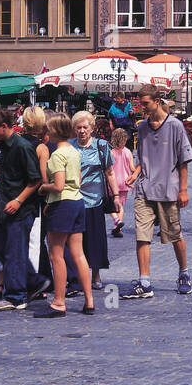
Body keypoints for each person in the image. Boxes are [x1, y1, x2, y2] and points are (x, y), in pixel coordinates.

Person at [123, 84, 192, 299]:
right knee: (142, 236)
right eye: (140, 103)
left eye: (145, 103)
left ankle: (184, 273)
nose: (142, 107)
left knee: (174, 235)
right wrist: (135, 174)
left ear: (157, 101)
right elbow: (142, 158)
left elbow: (184, 161)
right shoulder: (142, 128)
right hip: (145, 189)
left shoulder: (175, 126)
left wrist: (183, 190)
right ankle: (144, 282)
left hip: (168, 189)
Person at [34, 114, 94, 317]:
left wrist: (43, 189)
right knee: (78, 254)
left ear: (54, 132)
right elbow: (77, 179)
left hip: (63, 204)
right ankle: (89, 301)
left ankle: (59, 302)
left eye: (48, 130)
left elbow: (58, 186)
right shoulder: (74, 152)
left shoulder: (57, 155)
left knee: (56, 255)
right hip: (78, 202)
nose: (45, 133)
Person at [0, 108, 42, 312]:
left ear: (3, 126)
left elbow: (35, 179)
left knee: (14, 252)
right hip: (4, 205)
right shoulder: (6, 146)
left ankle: (17, 296)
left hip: (20, 209)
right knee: (1, 249)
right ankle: (35, 280)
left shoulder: (22, 146)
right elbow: (15, 172)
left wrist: (18, 200)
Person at [71, 111, 119, 293]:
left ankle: (96, 274)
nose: (82, 131)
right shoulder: (69, 146)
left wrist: (116, 196)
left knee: (96, 239)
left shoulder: (101, 146)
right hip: (74, 198)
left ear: (92, 128)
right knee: (76, 240)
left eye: (85, 127)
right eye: (79, 127)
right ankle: (76, 275)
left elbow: (110, 172)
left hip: (95, 199)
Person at [109, 128, 134, 238]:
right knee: (121, 206)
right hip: (124, 181)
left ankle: (116, 220)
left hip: (112, 182)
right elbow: (132, 168)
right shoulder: (128, 152)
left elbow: (107, 169)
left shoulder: (111, 152)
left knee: (111, 204)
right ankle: (118, 228)